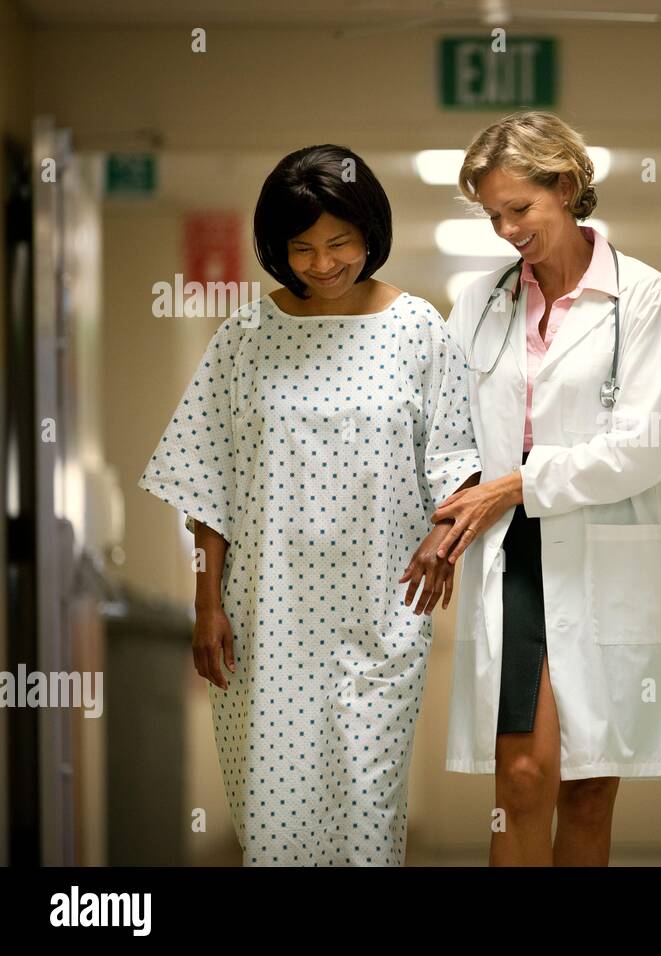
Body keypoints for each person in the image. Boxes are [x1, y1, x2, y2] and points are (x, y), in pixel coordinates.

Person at [137, 144, 479, 865]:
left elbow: (454, 462)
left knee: (365, 811)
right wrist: (207, 603)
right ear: (277, 248)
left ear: (370, 234)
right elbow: (208, 481)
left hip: (379, 614)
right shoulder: (244, 340)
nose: (323, 263)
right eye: (302, 248)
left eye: (340, 243)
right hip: (265, 617)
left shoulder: (419, 331)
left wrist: (443, 541)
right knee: (274, 820)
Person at [433, 111, 661, 867]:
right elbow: (448, 430)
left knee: (589, 788)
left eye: (520, 209)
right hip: (512, 555)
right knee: (522, 778)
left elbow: (643, 448)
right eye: (492, 216)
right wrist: (456, 511)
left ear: (567, 185)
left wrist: (513, 484)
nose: (506, 230)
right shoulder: (479, 304)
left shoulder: (642, 297)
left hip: (601, 550)